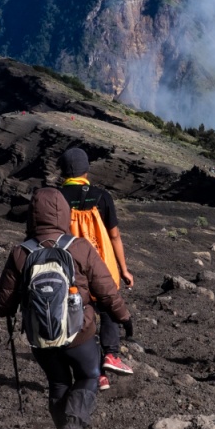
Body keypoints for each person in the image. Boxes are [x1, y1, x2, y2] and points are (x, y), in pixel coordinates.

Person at [0, 188, 131, 429]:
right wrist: (123, 316)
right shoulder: (79, 247)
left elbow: (2, 304)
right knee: (88, 375)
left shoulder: (20, 253)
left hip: (40, 338)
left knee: (58, 383)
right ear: (64, 213)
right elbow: (106, 290)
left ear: (32, 217)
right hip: (79, 333)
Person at [58, 148, 135, 387]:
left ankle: (95, 371)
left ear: (63, 171)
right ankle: (111, 354)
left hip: (72, 268)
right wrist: (123, 269)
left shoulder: (57, 197)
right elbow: (114, 236)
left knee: (82, 316)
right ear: (86, 169)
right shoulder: (102, 197)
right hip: (102, 264)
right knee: (108, 307)